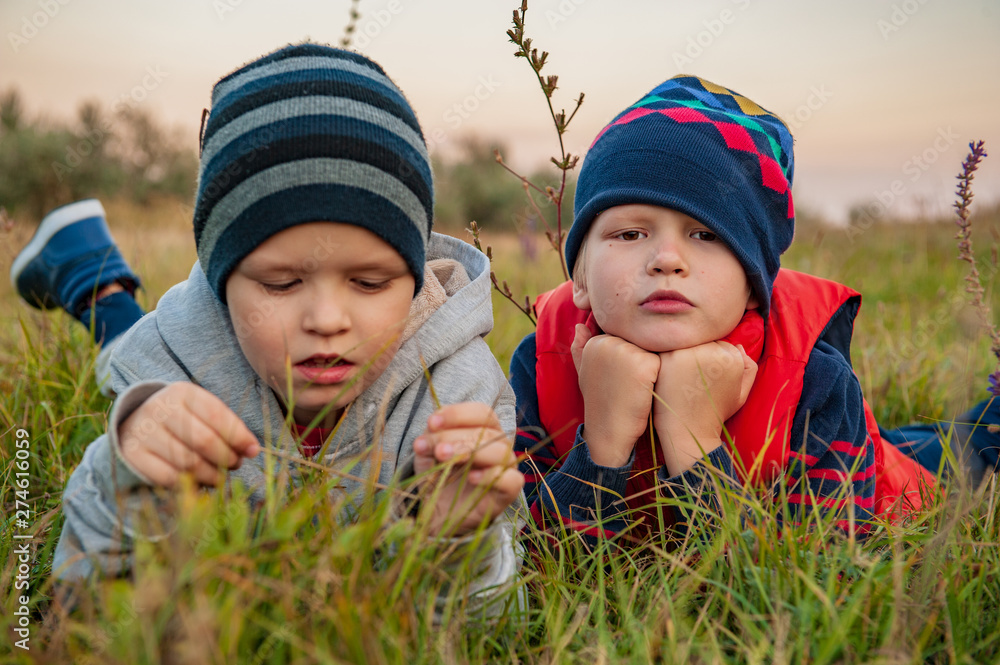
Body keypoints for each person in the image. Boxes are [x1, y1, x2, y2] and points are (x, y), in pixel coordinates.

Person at [11, 43, 524, 615]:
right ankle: (95, 283)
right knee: (133, 360)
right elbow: (78, 613)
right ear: (222, 281)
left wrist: (460, 542)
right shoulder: (175, 356)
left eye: (371, 283)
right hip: (184, 339)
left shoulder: (458, 390)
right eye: (280, 284)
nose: (327, 321)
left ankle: (87, 268)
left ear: (415, 277)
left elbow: (488, 629)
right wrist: (125, 481)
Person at [510, 75, 1000, 545]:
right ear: (578, 279)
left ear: (754, 286)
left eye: (706, 236)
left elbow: (804, 588)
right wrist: (601, 445)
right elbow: (524, 562)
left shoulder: (814, 380)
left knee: (974, 446)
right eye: (630, 233)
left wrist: (695, 442)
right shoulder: (540, 363)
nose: (666, 260)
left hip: (892, 476)